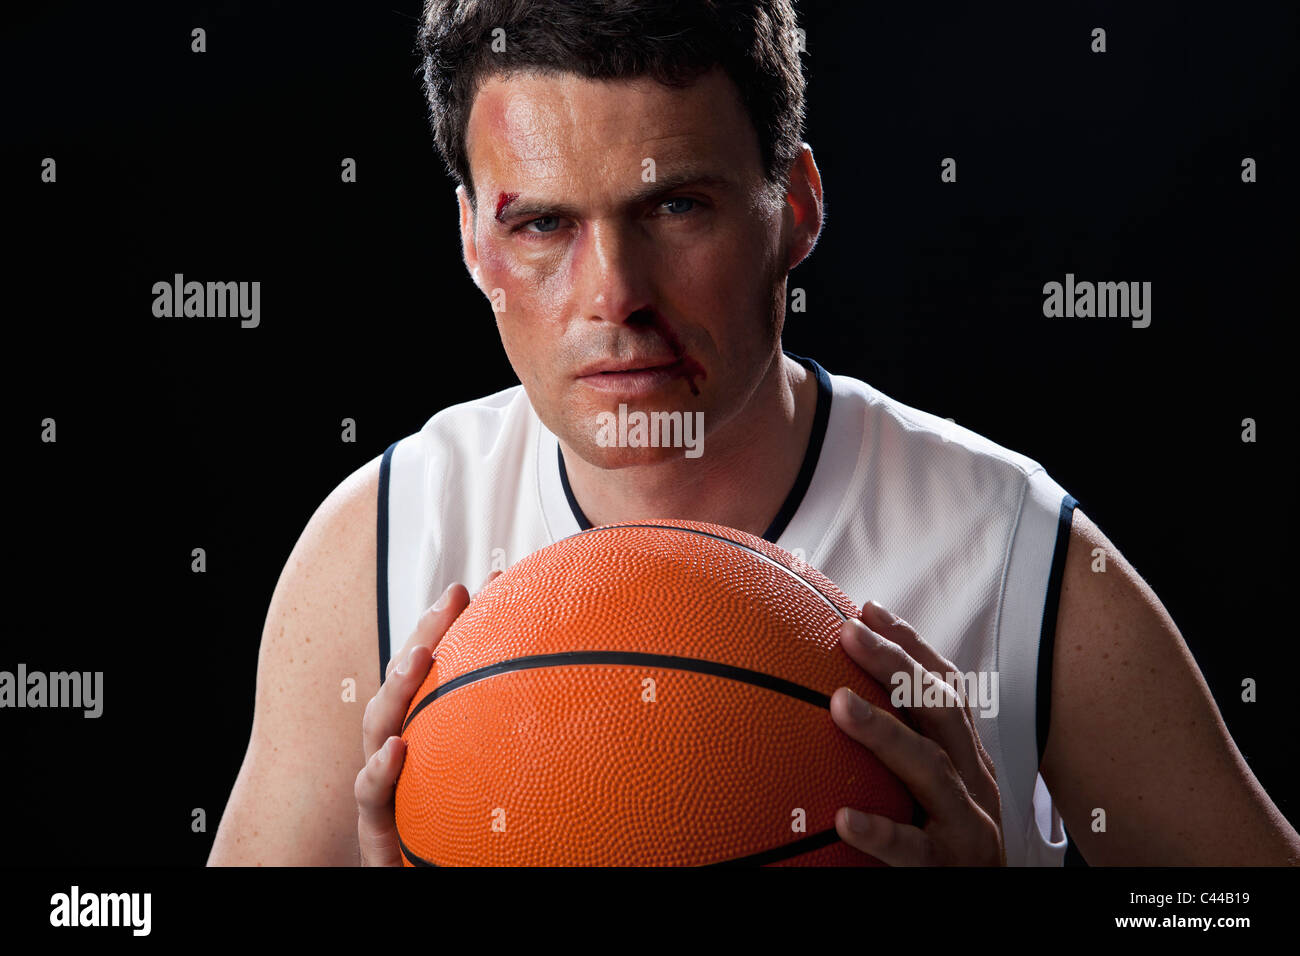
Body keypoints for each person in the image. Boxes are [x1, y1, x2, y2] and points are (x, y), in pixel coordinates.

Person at [208, 0, 1300, 866]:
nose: (615, 297)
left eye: (675, 206)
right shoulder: (380, 544)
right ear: (472, 243)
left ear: (797, 207)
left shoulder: (1012, 548)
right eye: (542, 223)